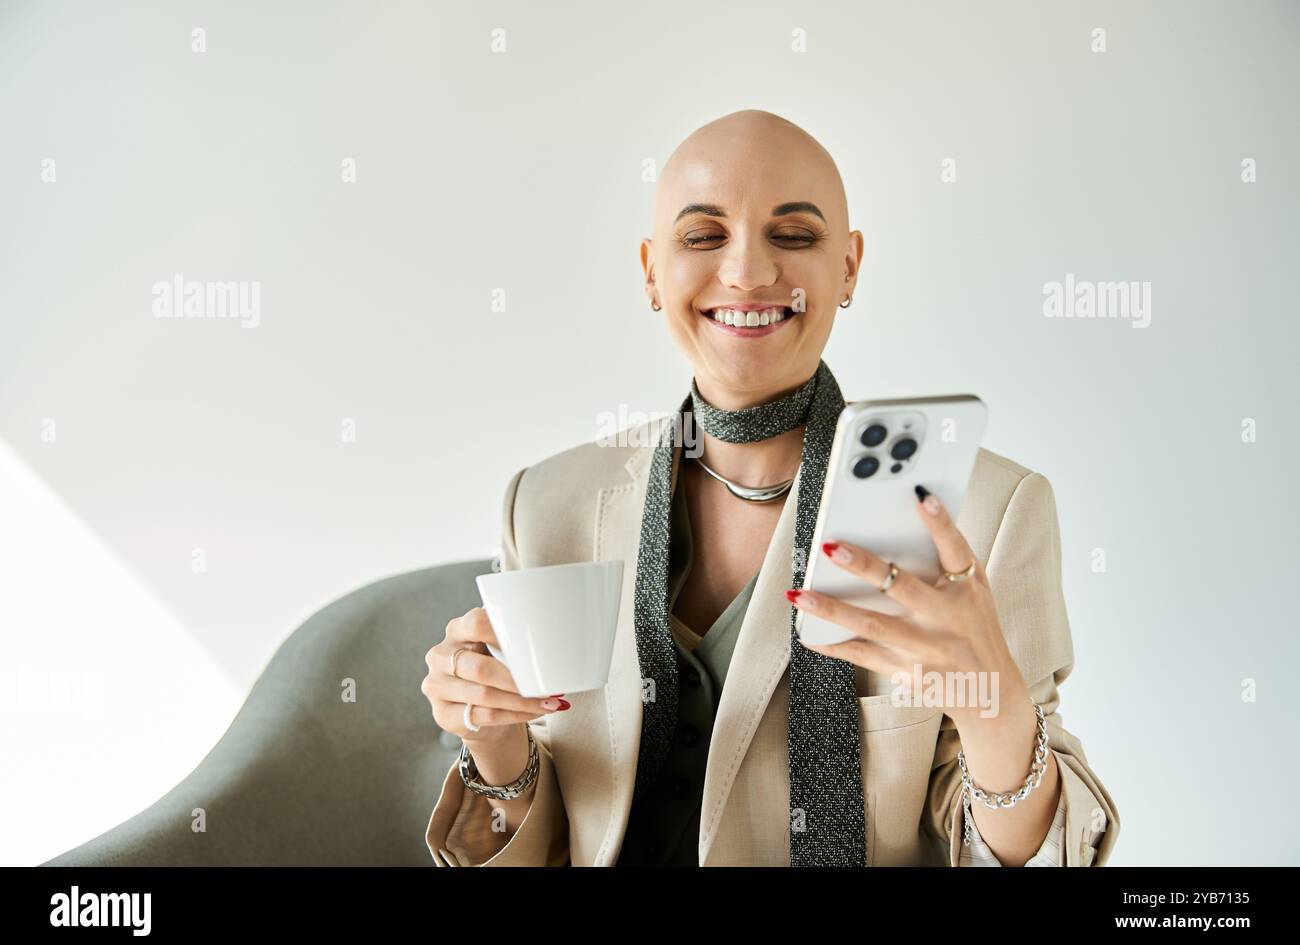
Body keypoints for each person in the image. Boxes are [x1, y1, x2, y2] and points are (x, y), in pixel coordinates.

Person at [420, 109, 1119, 867]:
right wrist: (494, 743)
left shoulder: (983, 513)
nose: (749, 272)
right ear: (652, 270)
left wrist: (996, 709)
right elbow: (543, 845)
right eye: (703, 236)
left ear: (849, 266)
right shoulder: (545, 505)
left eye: (793, 235)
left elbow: (1041, 858)